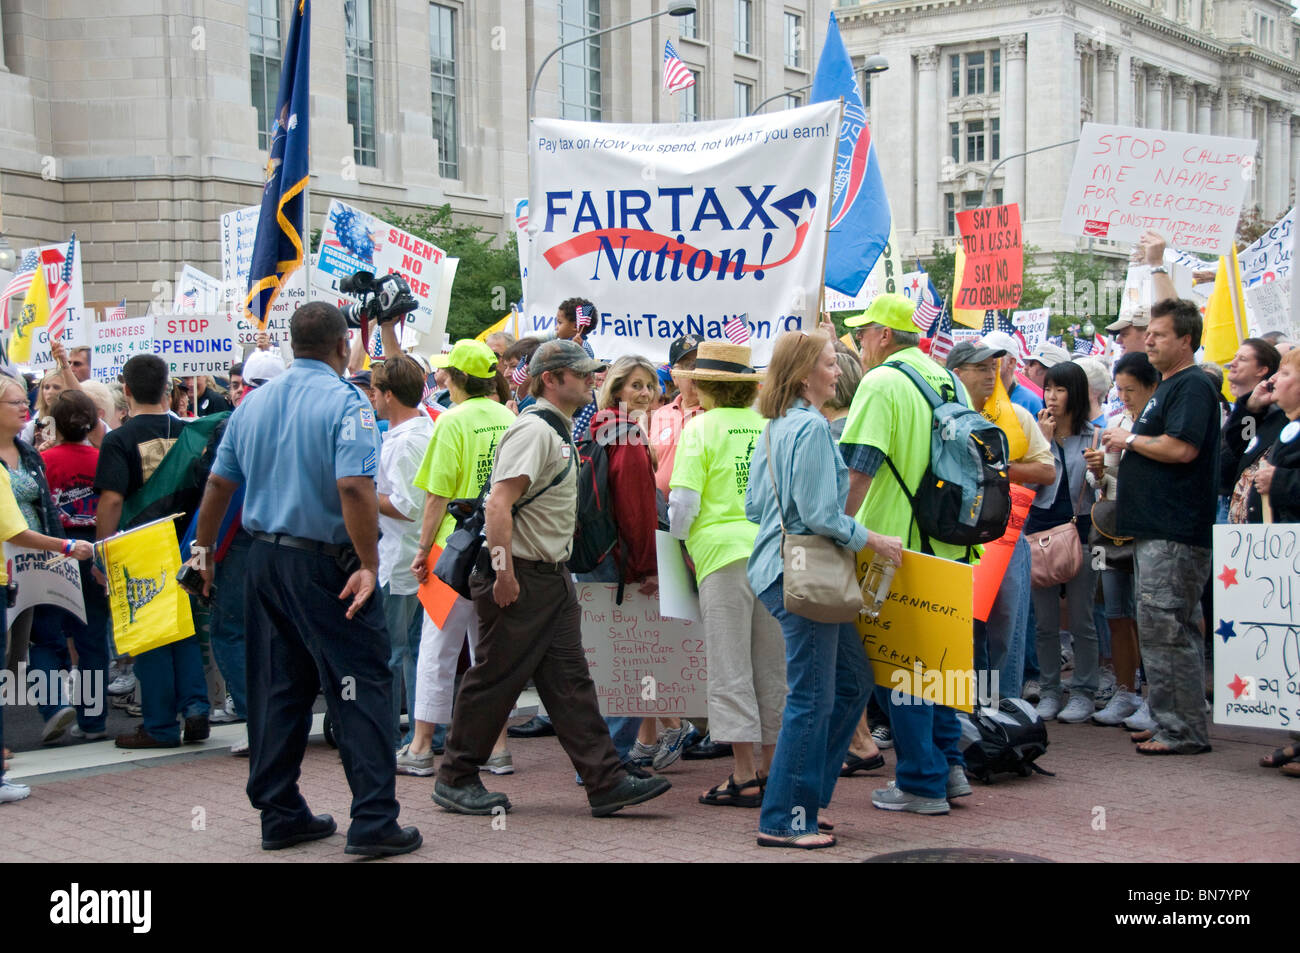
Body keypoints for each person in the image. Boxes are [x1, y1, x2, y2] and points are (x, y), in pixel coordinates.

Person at [187, 303, 421, 856]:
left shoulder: (253, 404)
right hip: (327, 562)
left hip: (264, 558)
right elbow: (354, 489)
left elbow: (219, 486)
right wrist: (367, 563)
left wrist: (203, 551)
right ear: (343, 345)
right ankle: (373, 820)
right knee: (361, 683)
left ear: (293, 344)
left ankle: (280, 811)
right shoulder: (347, 403)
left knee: (277, 684)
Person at [431, 339, 671, 818]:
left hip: (546, 576)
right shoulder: (536, 430)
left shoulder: (553, 428)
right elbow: (498, 504)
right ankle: (456, 777)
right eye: (580, 373)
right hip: (523, 575)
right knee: (495, 679)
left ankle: (605, 779)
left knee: (570, 682)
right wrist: (503, 572)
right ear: (550, 379)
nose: (590, 379)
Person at [744, 328, 900, 847]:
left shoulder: (775, 425)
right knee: (812, 697)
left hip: (778, 571)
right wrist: (872, 538)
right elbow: (819, 515)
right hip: (800, 576)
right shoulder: (810, 429)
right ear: (806, 372)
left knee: (851, 682)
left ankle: (806, 799)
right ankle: (785, 819)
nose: (838, 372)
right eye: (831, 363)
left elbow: (753, 508)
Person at [840, 293, 972, 815]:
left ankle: (921, 782)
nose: (857, 341)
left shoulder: (882, 382)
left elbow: (859, 469)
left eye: (863, 331)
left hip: (895, 544)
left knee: (903, 669)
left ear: (885, 335)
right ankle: (949, 769)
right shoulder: (949, 377)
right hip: (952, 544)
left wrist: (837, 528)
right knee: (938, 667)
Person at [1100, 231, 1219, 756]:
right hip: (1156, 531)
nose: (1147, 340)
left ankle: (1182, 730)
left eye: (1159, 334)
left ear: (1186, 341)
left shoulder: (1192, 386)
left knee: (1167, 629)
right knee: (1164, 629)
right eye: (1147, 333)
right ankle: (1173, 719)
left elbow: (1182, 450)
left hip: (1175, 532)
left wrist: (1130, 439)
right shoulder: (1170, 384)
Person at [668, 342, 782, 808]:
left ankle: (741, 772)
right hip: (772, 553)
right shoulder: (769, 427)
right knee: (774, 666)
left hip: (720, 556)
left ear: (703, 384)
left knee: (729, 664)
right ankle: (772, 767)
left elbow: (683, 505)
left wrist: (680, 540)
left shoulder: (700, 429)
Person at [404, 340, 515, 777]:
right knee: (489, 650)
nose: (440, 378)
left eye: (445, 372)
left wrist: (421, 550)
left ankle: (420, 745)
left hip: (452, 550)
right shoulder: (509, 417)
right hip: (498, 548)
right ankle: (498, 746)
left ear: (457, 377)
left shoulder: (451, 421)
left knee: (437, 647)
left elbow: (437, 495)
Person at [94, 354, 211, 749]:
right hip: (188, 539)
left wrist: (102, 551)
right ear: (167, 388)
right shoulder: (190, 432)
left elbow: (111, 501)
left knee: (151, 635)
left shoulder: (118, 439)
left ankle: (160, 726)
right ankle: (196, 706)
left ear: (125, 390)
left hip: (139, 544)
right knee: (185, 628)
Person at [584, 355, 681, 769]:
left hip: (598, 557)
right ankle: (613, 764)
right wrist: (647, 566)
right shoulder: (625, 436)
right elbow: (636, 512)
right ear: (617, 388)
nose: (645, 393)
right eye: (636, 385)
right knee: (632, 664)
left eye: (649, 385)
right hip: (620, 564)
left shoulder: (605, 427)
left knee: (606, 665)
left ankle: (600, 762)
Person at [949, 340, 1055, 702]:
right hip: (957, 536)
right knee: (963, 628)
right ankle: (969, 713)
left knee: (1004, 626)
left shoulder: (1018, 417)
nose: (990, 375)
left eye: (994, 367)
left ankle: (1003, 713)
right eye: (981, 368)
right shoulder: (939, 418)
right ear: (956, 373)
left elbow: (1046, 471)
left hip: (1006, 535)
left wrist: (996, 470)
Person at [0, 429, 94, 802]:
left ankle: (54, 706)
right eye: (13, 400)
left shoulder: (30, 455)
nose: (23, 406)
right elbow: (13, 529)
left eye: (25, 399)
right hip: (19, 559)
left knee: (40, 640)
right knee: (11, 657)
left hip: (35, 563)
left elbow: (41, 512)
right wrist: (67, 545)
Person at [1085, 351, 1158, 728]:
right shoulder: (1112, 423)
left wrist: (1131, 443)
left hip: (1148, 529)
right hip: (1109, 529)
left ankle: (1156, 696)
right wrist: (1096, 472)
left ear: (1152, 385)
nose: (1124, 396)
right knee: (1114, 610)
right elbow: (1098, 485)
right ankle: (1126, 690)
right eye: (1120, 389)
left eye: (1131, 389)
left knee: (1150, 614)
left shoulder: (1159, 425)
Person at [35, 390, 111, 742]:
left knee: (47, 635)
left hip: (54, 552)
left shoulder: (43, 461)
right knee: (92, 638)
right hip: (94, 549)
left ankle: (54, 705)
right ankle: (93, 720)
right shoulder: (102, 458)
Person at [1026, 361, 1100, 723]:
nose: (1051, 397)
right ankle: (1051, 688)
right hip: (1039, 532)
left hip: (1083, 532)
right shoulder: (1036, 432)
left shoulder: (1095, 436)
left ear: (1077, 393)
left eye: (1060, 389)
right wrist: (1041, 442)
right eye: (1048, 388)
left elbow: (1103, 489)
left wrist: (1102, 470)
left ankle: (1084, 690)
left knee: (1083, 618)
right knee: (1044, 621)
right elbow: (1027, 486)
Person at [371, 354, 436, 753]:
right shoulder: (420, 428)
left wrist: (365, 495)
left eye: (376, 392)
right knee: (411, 651)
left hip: (402, 559)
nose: (372, 400)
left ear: (389, 395)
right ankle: (418, 732)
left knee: (398, 653)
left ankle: (404, 735)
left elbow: (406, 505)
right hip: (408, 556)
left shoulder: (409, 439)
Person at [1220, 338, 1283, 524]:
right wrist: (1249, 408)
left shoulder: (1273, 413)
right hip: (1231, 498)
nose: (1233, 363)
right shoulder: (1251, 411)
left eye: (1243, 359)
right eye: (1235, 357)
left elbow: (1243, 451)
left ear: (1262, 370)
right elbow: (1239, 444)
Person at [981, 330, 1044, 415]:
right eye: (983, 354)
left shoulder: (1030, 402)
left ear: (1011, 362)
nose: (985, 359)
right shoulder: (977, 396)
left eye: (994, 355)